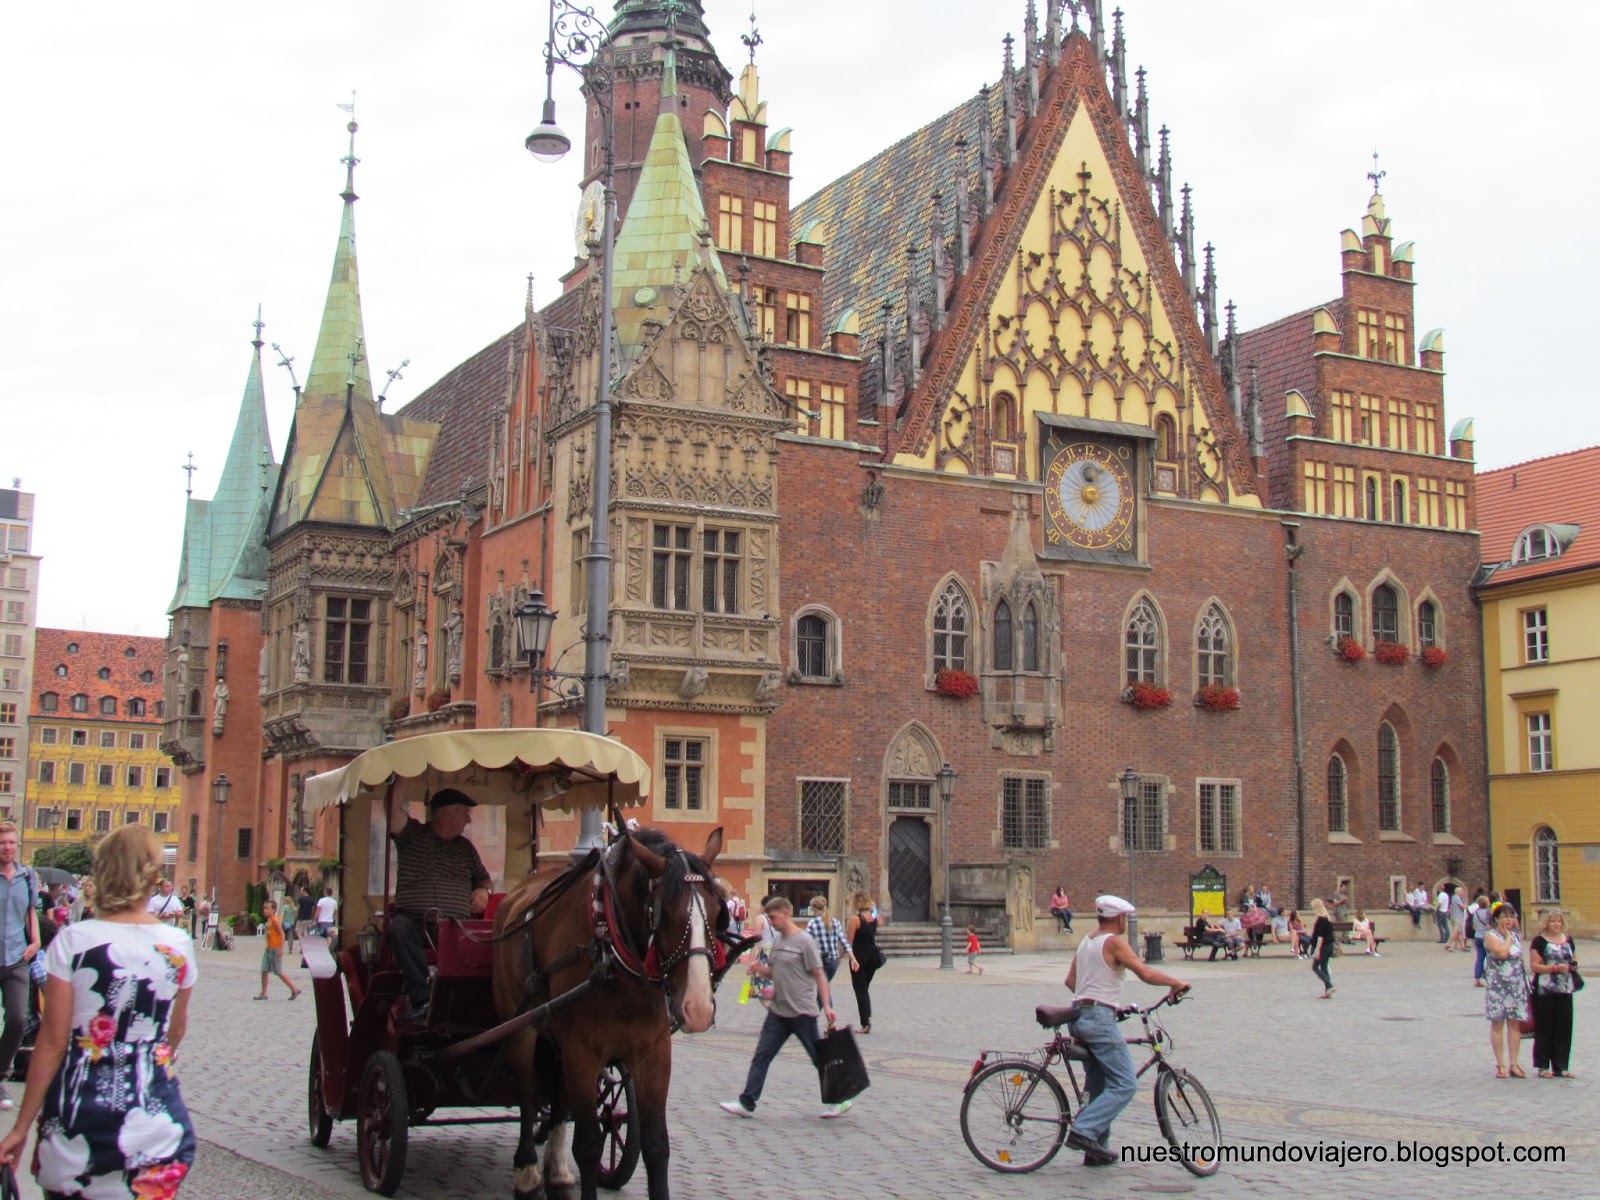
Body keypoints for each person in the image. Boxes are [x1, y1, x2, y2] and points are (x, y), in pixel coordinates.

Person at [0, 824, 197, 1197]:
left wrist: (20, 1128)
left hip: (78, 1121)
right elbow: (174, 1033)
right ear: (153, 875)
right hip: (154, 1124)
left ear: (102, 873)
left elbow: (53, 1043)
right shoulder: (178, 944)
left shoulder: (74, 941)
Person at [1061, 896, 1188, 1167]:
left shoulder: (1086, 941)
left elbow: (1071, 981)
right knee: (1125, 1083)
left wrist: (1097, 1001)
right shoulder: (1114, 942)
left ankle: (1096, 1149)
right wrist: (1176, 982)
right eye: (1125, 919)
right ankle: (1083, 1130)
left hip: (1079, 1016)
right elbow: (1145, 973)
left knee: (1098, 1085)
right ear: (1118, 919)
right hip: (1098, 1020)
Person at [720, 896, 850, 1119]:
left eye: (773, 917)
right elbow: (777, 971)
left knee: (817, 1058)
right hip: (779, 1012)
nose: (770, 922)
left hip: (803, 1011)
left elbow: (819, 974)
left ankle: (839, 1099)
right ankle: (747, 1102)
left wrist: (827, 1006)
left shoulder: (805, 941)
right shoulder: (779, 942)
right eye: (768, 918)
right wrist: (760, 969)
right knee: (762, 1055)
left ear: (786, 914)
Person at [387, 787, 491, 1022]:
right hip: (416, 923)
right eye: (464, 813)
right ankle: (422, 1001)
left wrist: (483, 890)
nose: (468, 819)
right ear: (445, 815)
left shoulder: (465, 848)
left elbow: (484, 878)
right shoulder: (413, 835)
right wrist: (400, 776)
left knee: (485, 940)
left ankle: (473, 1002)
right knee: (399, 929)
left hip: (456, 926)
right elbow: (392, 813)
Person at [0, 823, 40, 1112]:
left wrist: (36, 941)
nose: (7, 847)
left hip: (17, 957)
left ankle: (0, 1074)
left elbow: (30, 912)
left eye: (12, 842)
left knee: (17, 1020)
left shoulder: (27, 877)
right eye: (2, 843)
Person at [1529, 909, 1577, 1079]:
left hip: (1564, 988)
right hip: (1545, 989)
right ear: (1546, 923)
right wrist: (1554, 968)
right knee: (1545, 1027)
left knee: (1564, 1027)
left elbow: (1573, 959)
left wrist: (1574, 965)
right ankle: (1543, 1066)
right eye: (1553, 921)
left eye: (1559, 921)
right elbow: (1534, 966)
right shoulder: (1539, 941)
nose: (1556, 924)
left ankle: (1561, 1065)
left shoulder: (1568, 940)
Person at [1483, 902, 1530, 1078]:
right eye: (1505, 916)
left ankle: (1514, 1063)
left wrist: (1511, 936)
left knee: (1514, 1024)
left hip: (1516, 985)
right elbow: (1501, 953)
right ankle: (1500, 1064)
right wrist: (1508, 937)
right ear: (1496, 919)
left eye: (1511, 916)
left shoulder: (1516, 936)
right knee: (1497, 1023)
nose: (1509, 920)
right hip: (1498, 985)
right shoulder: (1491, 935)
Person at [844, 892, 880, 1034]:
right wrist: (874, 908)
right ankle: (867, 1014)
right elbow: (880, 921)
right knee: (864, 987)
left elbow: (849, 942)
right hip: (872, 956)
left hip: (858, 958)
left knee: (860, 990)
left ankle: (865, 1024)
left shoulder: (855, 919)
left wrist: (843, 956)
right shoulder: (873, 918)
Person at [255, 900, 301, 1000]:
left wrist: (281, 949)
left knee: (278, 971)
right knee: (264, 969)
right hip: (269, 948)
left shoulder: (275, 920)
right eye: (264, 908)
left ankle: (294, 989)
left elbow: (282, 934)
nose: (265, 910)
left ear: (274, 909)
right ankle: (263, 993)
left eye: (267, 908)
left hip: (275, 948)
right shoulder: (269, 920)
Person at [804, 896, 853, 982]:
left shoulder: (812, 923)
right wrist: (853, 958)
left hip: (819, 961)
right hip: (833, 962)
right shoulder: (835, 922)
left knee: (822, 990)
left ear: (814, 908)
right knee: (823, 988)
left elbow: (804, 942)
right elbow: (844, 943)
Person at [1308, 898, 1336, 998]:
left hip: (1323, 946)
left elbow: (1319, 937)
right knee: (1324, 967)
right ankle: (1327, 992)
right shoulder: (1327, 918)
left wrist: (1317, 950)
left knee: (1315, 967)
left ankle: (1329, 985)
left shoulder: (1320, 920)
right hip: (1329, 945)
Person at [1447, 885, 1469, 952]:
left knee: (1459, 933)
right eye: (1462, 891)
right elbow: (1462, 906)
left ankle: (1462, 946)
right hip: (1458, 917)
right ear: (1459, 892)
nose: (1463, 893)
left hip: (1454, 916)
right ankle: (1448, 944)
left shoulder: (1454, 898)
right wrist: (1467, 906)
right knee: (1457, 932)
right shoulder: (1456, 897)